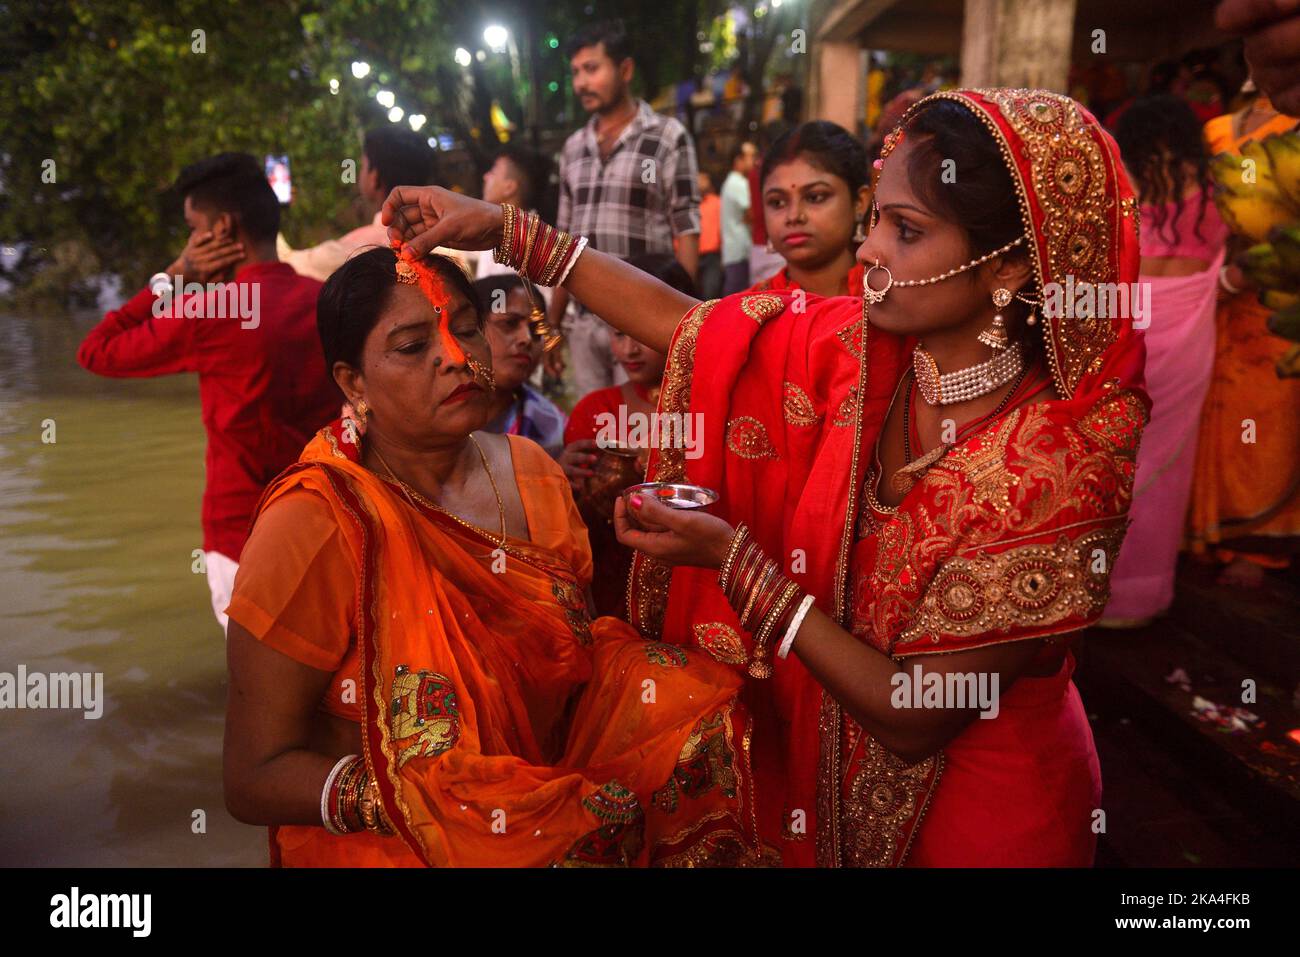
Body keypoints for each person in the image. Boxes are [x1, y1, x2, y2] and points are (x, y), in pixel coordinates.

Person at [381, 87, 1148, 867]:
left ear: (1009, 268)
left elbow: (916, 711)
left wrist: (733, 562)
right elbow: (697, 329)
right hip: (829, 783)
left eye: (906, 230)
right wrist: (509, 232)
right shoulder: (866, 352)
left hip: (985, 817)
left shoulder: (1060, 459)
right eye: (875, 219)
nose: (871, 250)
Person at [222, 247, 765, 867]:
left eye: (464, 328)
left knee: (695, 708)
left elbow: (574, 672)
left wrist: (558, 803)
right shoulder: (315, 520)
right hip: (402, 848)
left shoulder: (535, 474)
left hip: (545, 821)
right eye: (411, 346)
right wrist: (430, 809)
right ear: (353, 382)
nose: (455, 357)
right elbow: (252, 775)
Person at [77, 152, 339, 633]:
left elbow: (97, 351)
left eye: (191, 229)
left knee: (258, 693)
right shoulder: (328, 303)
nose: (189, 242)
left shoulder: (208, 313)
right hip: (330, 529)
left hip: (242, 540)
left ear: (221, 229)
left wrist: (172, 277)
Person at [1102, 95, 1229, 625]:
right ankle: (1141, 597)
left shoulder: (1120, 195)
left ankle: (1095, 596)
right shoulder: (1223, 197)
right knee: (1165, 464)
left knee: (1112, 459)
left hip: (1129, 337)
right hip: (1191, 339)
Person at [546, 20, 702, 397]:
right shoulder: (574, 148)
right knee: (596, 427)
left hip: (642, 320)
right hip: (584, 320)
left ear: (625, 70)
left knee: (646, 431)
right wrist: (552, 326)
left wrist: (684, 316)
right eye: (576, 72)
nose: (582, 82)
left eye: (592, 68)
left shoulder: (666, 136)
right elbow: (563, 240)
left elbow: (686, 227)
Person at [1187, 86, 1300, 586]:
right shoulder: (1217, 129)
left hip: (1271, 291)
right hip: (1210, 293)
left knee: (1265, 418)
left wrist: (1241, 276)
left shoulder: (1294, 131)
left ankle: (1258, 545)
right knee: (1213, 411)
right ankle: (1205, 532)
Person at [561, 253, 693, 617]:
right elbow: (574, 526)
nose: (630, 348)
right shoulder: (594, 411)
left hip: (693, 590)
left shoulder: (707, 407)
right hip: (612, 593)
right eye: (619, 331)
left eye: (642, 331)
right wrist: (560, 480)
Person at [278, 128, 440, 281]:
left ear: (374, 178)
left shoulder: (355, 250)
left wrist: (269, 208)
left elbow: (286, 264)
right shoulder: (451, 241)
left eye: (362, 166)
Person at [748, 121, 869, 298]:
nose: (794, 216)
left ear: (860, 202)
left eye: (815, 197)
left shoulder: (894, 303)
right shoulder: (749, 316)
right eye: (777, 203)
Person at [474, 273, 566, 457]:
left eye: (536, 331)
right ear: (469, 329)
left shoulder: (550, 425)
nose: (526, 339)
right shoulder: (424, 412)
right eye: (509, 323)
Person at [721, 140, 757, 295]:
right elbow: (753, 213)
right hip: (739, 250)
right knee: (737, 300)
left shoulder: (731, 182)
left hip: (734, 249)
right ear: (738, 160)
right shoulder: (738, 183)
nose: (755, 160)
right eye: (751, 156)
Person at [697, 171, 723, 300]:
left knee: (710, 293)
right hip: (693, 255)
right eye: (699, 178)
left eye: (704, 178)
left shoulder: (717, 202)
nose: (701, 181)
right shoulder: (691, 204)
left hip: (712, 256)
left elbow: (723, 229)